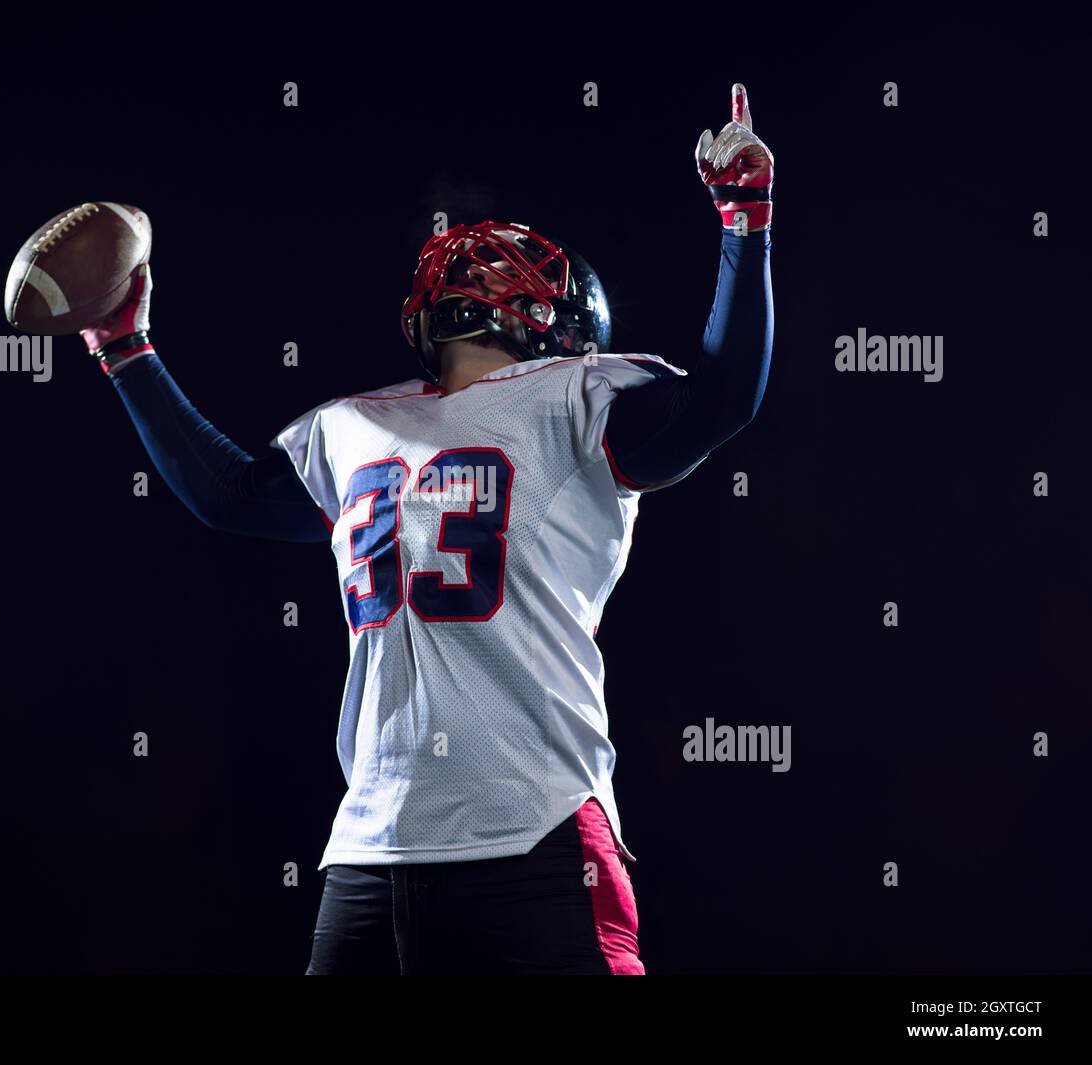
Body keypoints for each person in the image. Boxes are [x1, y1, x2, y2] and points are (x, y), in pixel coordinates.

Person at [80, 84, 775, 975]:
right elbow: (233, 497)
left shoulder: (564, 401)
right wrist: (126, 348)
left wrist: (745, 225)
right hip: (376, 841)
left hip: (535, 828)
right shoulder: (364, 425)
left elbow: (722, 402)